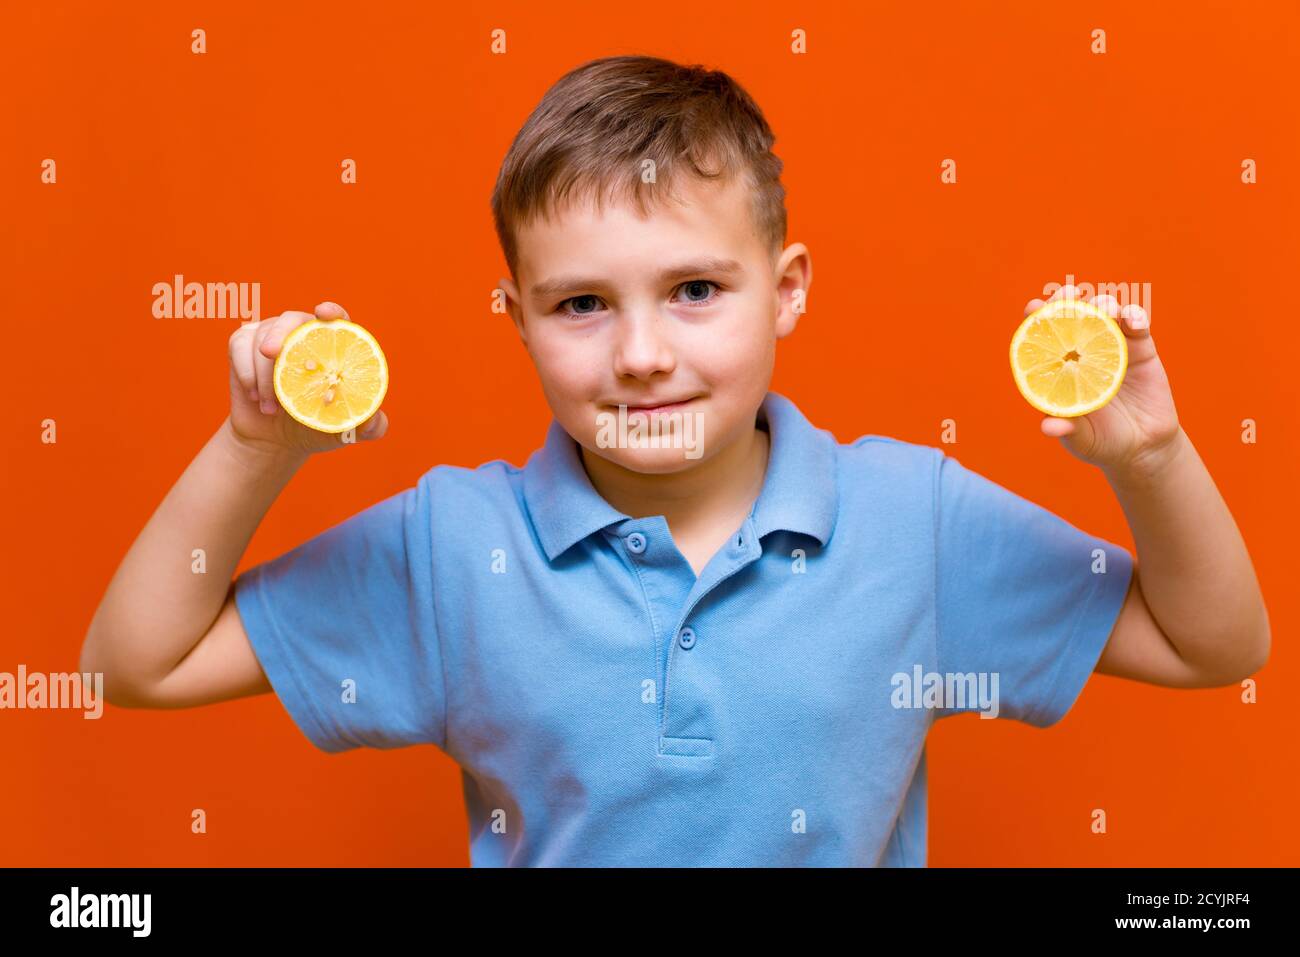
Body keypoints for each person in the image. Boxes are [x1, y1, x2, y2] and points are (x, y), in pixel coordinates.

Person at [79, 55, 1269, 867]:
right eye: (582, 304)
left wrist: (1150, 456)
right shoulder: (457, 548)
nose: (643, 355)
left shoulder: (912, 520)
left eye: (695, 290)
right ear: (517, 316)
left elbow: (1217, 645)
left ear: (785, 290)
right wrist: (256, 445)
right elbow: (137, 663)